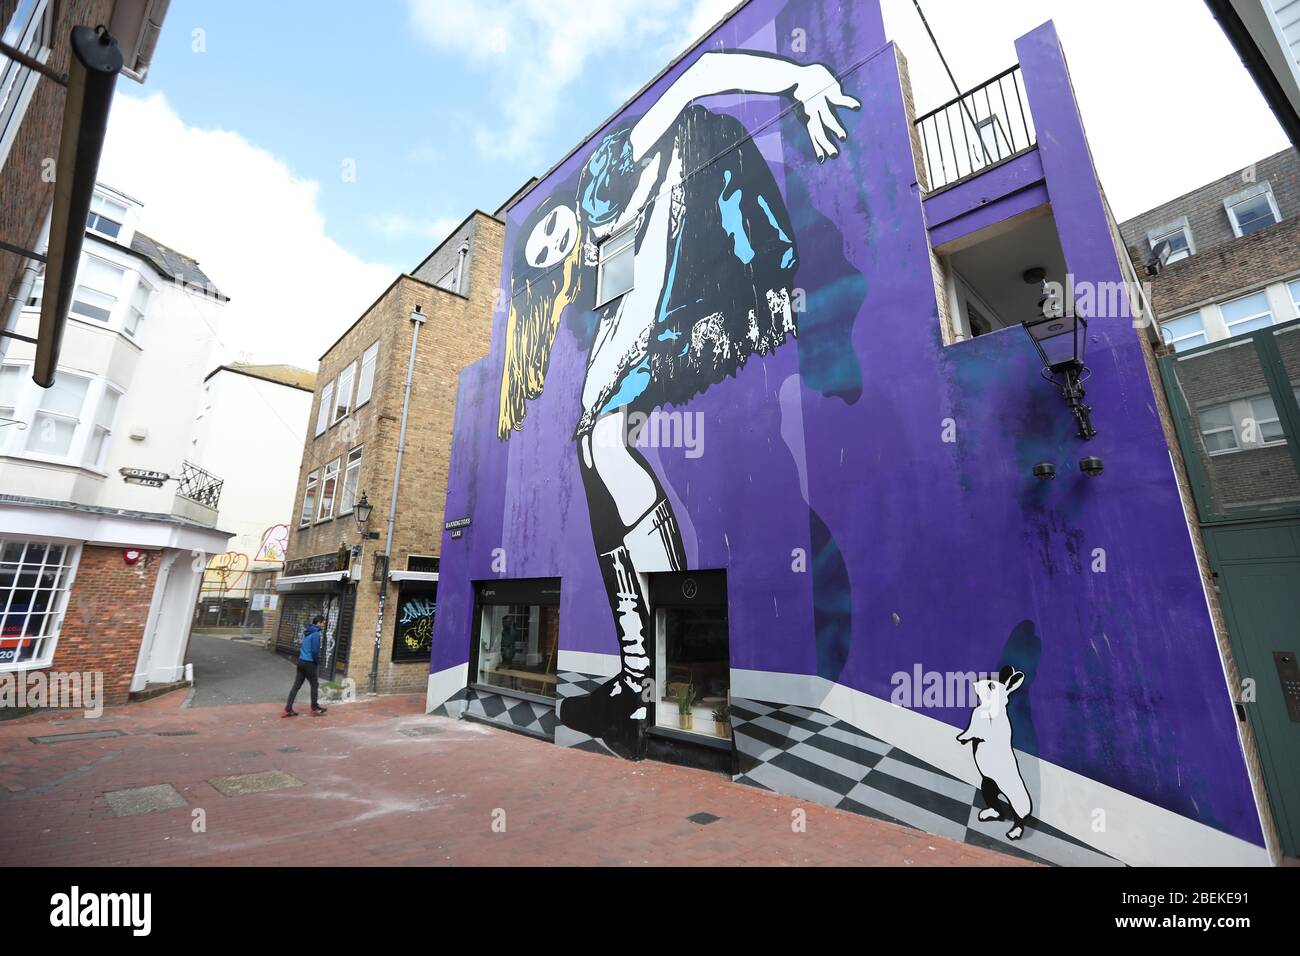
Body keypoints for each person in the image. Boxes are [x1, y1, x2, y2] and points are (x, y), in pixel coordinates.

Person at [497, 49, 858, 757]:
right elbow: (627, 296)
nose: (550, 240)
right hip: (665, 295)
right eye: (544, 253)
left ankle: (676, 671)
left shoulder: (607, 172)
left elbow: (698, 75)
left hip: (720, 253)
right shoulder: (599, 261)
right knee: (588, 443)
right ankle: (639, 676)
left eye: (546, 231)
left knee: (601, 440)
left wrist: (798, 78)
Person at [283, 615, 327, 717]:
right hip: (309, 663)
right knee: (314, 685)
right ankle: (314, 708)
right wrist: (316, 661)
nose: (324, 624)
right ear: (319, 622)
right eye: (323, 622)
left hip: (301, 661)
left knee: (296, 686)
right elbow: (315, 651)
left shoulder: (308, 631)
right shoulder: (316, 634)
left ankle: (288, 709)